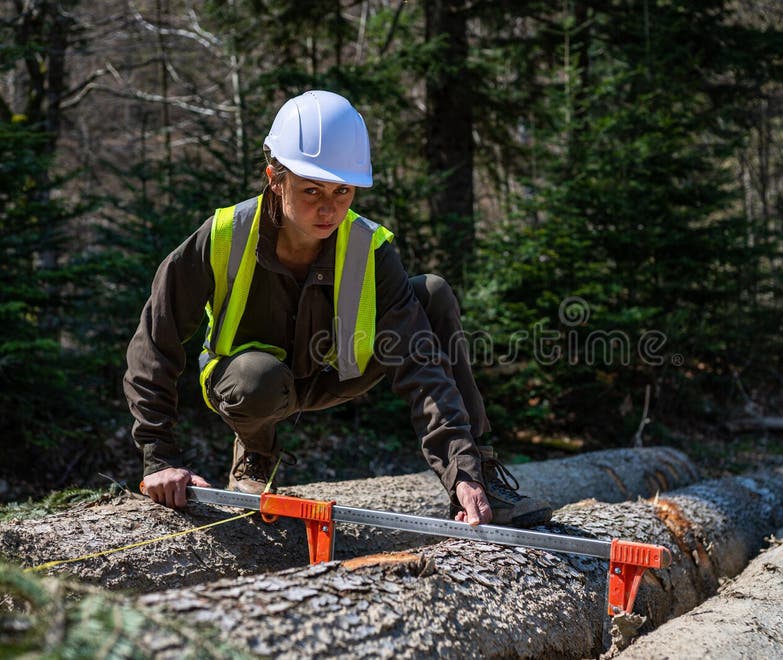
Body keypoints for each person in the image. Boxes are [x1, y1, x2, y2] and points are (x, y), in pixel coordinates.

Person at [124, 90, 552, 528]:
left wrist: (461, 472)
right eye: (311, 190)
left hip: (338, 372)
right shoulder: (223, 235)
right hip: (247, 383)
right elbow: (156, 341)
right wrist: (159, 456)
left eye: (342, 190)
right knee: (258, 380)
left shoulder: (369, 248)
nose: (328, 208)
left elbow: (422, 365)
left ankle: (480, 479)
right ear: (274, 177)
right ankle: (256, 453)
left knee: (432, 293)